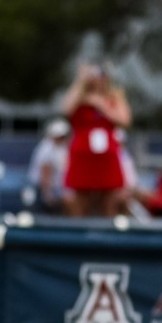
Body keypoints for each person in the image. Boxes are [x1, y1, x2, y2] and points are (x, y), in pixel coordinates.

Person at [59, 63, 132, 218]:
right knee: (78, 201)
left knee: (110, 200)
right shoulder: (80, 98)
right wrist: (80, 81)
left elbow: (124, 120)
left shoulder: (114, 97)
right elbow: (65, 109)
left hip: (107, 158)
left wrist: (102, 105)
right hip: (83, 156)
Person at [26, 119, 69, 215]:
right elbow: (45, 172)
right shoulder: (46, 148)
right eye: (58, 136)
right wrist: (48, 194)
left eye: (62, 136)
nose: (61, 138)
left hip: (58, 189)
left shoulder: (63, 148)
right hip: (42, 189)